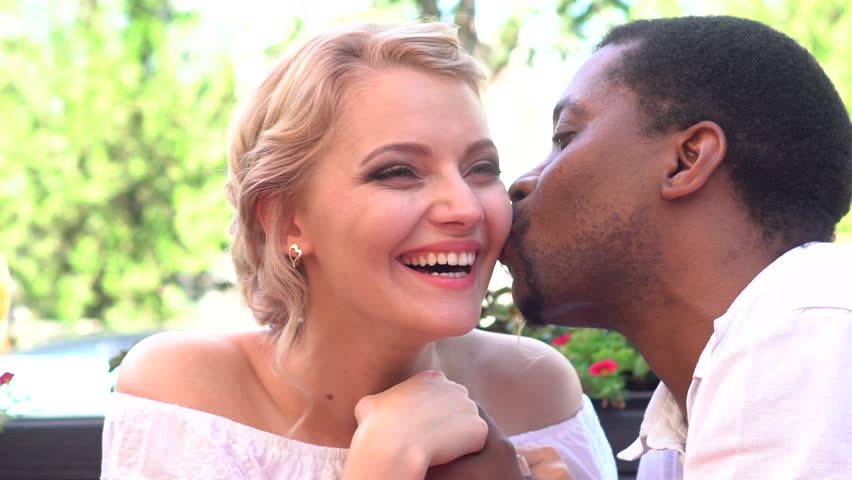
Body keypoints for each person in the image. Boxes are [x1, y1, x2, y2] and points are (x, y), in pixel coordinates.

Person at [100, 22, 617, 480]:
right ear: (282, 219)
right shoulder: (189, 393)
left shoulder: (536, 388)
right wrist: (385, 463)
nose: (465, 208)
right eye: (398, 171)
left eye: (480, 168)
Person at [494, 15, 852, 480]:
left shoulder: (807, 324)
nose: (522, 184)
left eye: (565, 137)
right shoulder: (675, 430)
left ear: (686, 161)